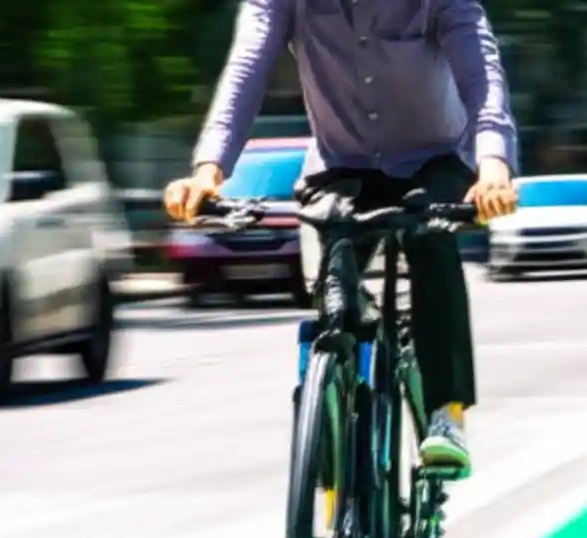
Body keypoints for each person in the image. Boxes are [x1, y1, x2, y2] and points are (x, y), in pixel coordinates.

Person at [164, 0, 519, 477]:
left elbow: (482, 75)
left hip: (433, 160)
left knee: (430, 240)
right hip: (340, 165)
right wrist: (209, 171)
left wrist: (493, 164)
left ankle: (446, 413)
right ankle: (340, 403)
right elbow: (247, 67)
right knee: (335, 283)